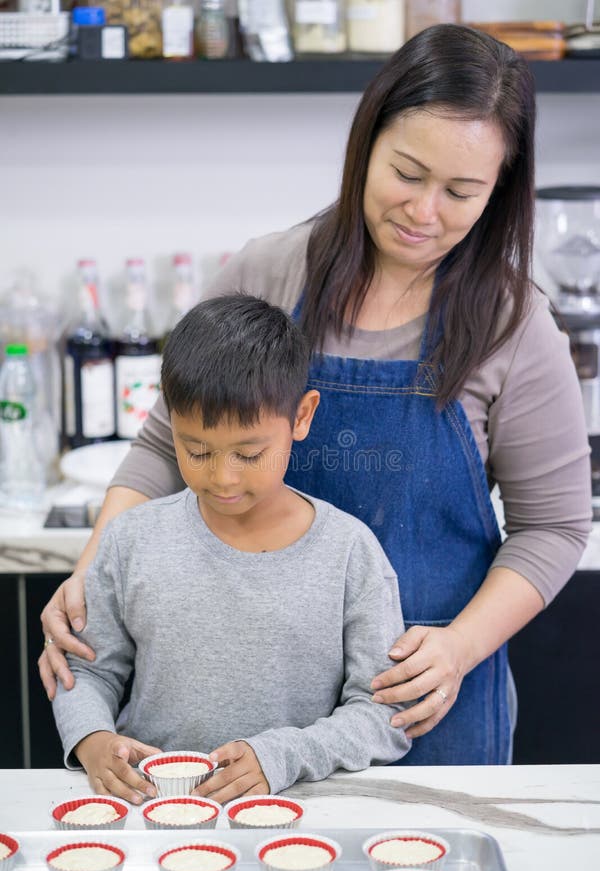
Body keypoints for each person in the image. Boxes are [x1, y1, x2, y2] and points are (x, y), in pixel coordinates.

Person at [42, 24, 591, 767]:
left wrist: (458, 649)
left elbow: (553, 528)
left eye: (461, 192)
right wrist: (90, 577)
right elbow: (165, 445)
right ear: (366, 144)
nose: (425, 212)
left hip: (418, 701)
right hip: (249, 714)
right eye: (407, 172)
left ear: (497, 191)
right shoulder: (268, 272)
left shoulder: (512, 326)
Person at [51, 294, 410, 804]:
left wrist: (283, 755)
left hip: (297, 814)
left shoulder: (349, 553)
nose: (222, 477)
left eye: (249, 453)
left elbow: (383, 717)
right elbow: (87, 670)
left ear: (302, 417)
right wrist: (91, 738)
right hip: (153, 813)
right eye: (196, 450)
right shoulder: (132, 540)